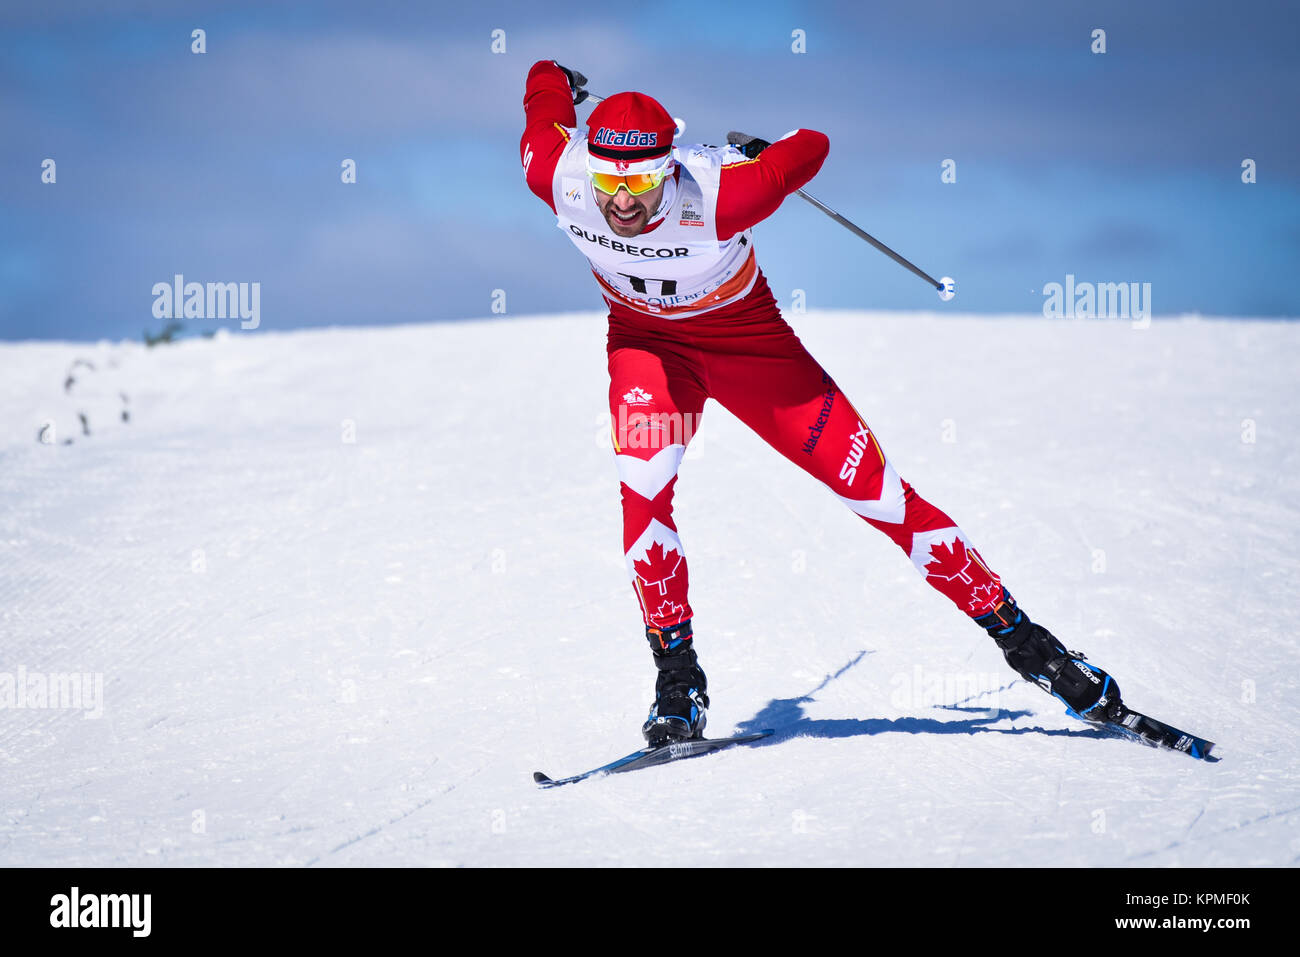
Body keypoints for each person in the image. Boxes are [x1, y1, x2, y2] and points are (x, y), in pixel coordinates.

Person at [520, 60, 1121, 747]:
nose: (622, 201)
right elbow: (541, 91)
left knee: (880, 498)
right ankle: (677, 681)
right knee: (642, 493)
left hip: (750, 348)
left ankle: (1033, 647)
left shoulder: (723, 195)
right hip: (646, 348)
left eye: (642, 182)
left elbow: (813, 145)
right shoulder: (553, 173)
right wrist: (559, 78)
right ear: (586, 166)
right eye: (607, 180)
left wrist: (765, 153)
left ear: (669, 170)